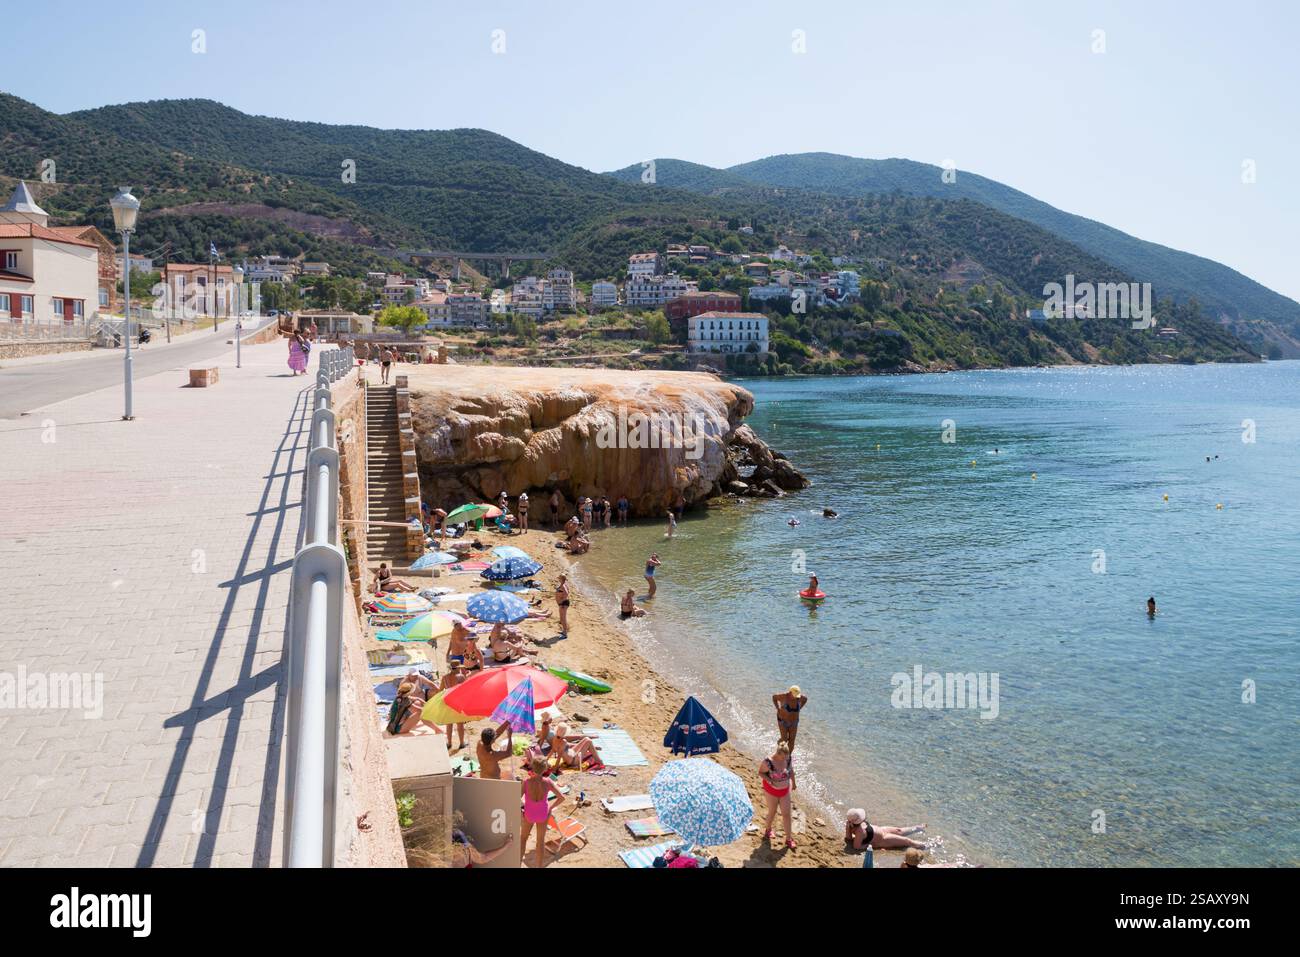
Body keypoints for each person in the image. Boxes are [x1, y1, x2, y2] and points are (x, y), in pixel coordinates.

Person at [521, 756, 566, 868]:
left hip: (529, 814)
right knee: (540, 842)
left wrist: (521, 810)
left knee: (523, 839)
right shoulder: (548, 782)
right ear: (545, 768)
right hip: (543, 814)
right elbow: (561, 798)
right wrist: (550, 808)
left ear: (532, 767)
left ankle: (517, 864)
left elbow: (517, 798)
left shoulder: (526, 782)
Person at [759, 740, 796, 850]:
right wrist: (769, 780)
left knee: (786, 814)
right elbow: (760, 772)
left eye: (787, 757)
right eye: (783, 757)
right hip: (771, 791)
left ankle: (789, 839)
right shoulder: (767, 762)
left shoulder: (788, 759)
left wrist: (794, 783)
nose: (785, 759)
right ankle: (768, 830)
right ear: (778, 753)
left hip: (785, 790)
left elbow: (791, 770)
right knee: (773, 811)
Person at [844, 809, 926, 850]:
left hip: (882, 830)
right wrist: (871, 845)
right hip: (883, 840)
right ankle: (926, 845)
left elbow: (849, 838)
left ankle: (919, 828)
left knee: (899, 830)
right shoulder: (859, 831)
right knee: (907, 841)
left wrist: (848, 829)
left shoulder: (852, 823)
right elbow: (856, 846)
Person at [436, 663, 471, 750]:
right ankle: (462, 743)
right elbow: (466, 689)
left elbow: (440, 690)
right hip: (458, 701)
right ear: (458, 668)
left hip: (448, 701)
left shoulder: (445, 677)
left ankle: (449, 743)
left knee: (449, 723)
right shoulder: (461, 677)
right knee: (460, 724)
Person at [773, 685, 808, 752]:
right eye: (794, 695)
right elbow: (774, 697)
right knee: (784, 740)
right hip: (783, 721)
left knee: (792, 741)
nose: (796, 697)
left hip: (794, 722)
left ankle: (788, 757)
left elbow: (805, 699)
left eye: (797, 695)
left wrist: (799, 708)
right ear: (790, 692)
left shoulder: (800, 698)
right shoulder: (783, 696)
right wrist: (777, 708)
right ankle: (779, 752)